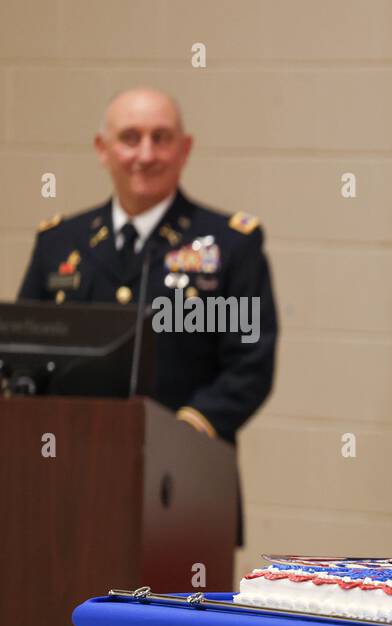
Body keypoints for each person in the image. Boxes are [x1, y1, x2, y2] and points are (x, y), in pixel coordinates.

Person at [18, 87, 277, 448]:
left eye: (161, 138)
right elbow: (25, 351)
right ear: (102, 149)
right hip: (72, 456)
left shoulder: (230, 244)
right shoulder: (60, 241)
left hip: (186, 460)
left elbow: (250, 363)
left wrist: (184, 430)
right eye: (130, 138)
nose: (146, 154)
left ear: (185, 149)